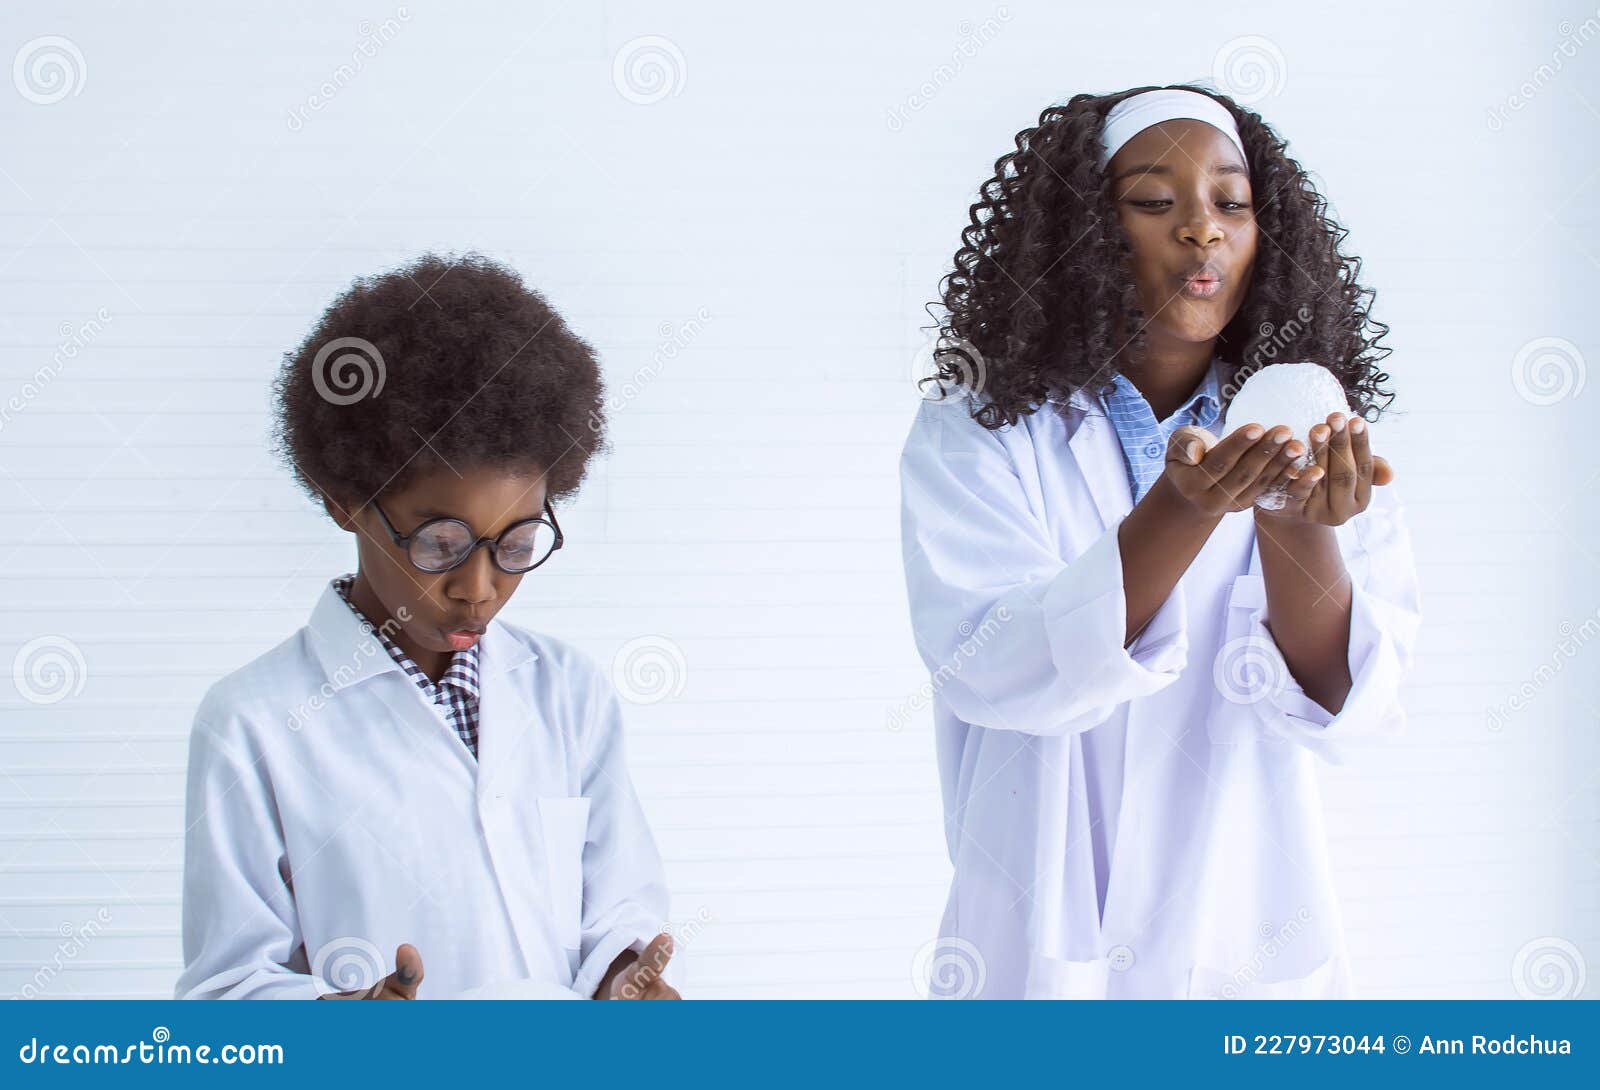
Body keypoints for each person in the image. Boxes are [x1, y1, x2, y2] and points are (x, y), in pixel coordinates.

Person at [898, 86, 1421, 999]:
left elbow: (1352, 700)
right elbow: (987, 663)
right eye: (1153, 202)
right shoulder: (978, 428)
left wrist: (1296, 531)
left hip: (1244, 925)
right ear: (1082, 235)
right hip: (1037, 942)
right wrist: (1178, 514)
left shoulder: (1313, 430)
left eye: (1231, 203)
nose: (1201, 231)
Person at [175, 254, 678, 1000]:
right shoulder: (252, 722)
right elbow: (227, 987)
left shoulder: (568, 692)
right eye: (439, 544)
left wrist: (620, 975)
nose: (478, 590)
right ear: (347, 500)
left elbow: (615, 909)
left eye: (516, 545)